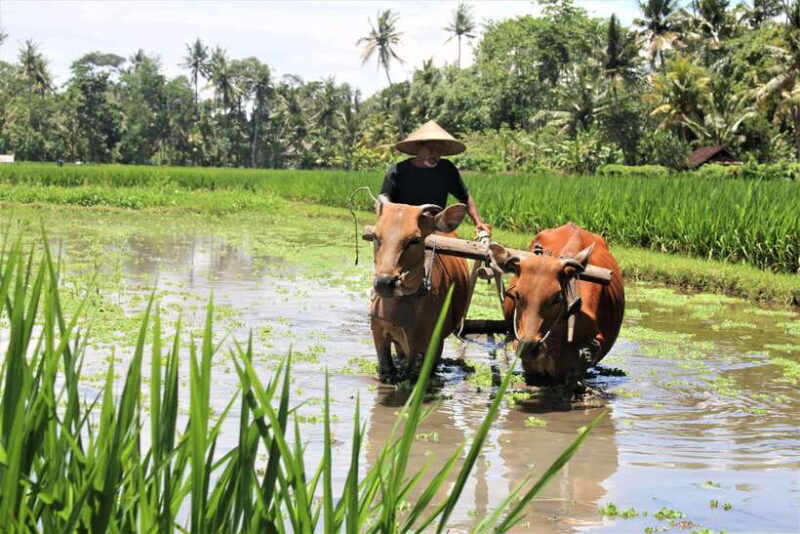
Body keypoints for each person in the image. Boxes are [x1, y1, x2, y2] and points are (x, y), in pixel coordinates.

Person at [380, 120, 491, 234]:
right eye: (431, 148)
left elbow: (465, 197)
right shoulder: (397, 171)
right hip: (402, 226)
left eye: (439, 150)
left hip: (434, 226)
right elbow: (384, 202)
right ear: (418, 148)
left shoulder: (446, 169)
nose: (435, 154)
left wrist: (478, 222)